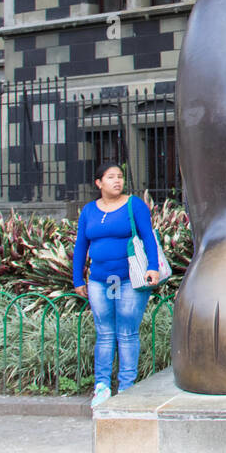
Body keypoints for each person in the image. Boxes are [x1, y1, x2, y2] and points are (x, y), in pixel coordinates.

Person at [73, 163, 159, 407]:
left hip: (129, 280)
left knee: (127, 332)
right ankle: (101, 385)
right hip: (99, 280)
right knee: (104, 333)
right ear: (99, 183)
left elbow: (148, 236)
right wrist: (78, 278)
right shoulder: (89, 210)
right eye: (111, 177)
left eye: (120, 177)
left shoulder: (134, 205)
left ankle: (126, 386)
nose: (117, 181)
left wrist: (152, 266)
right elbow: (81, 245)